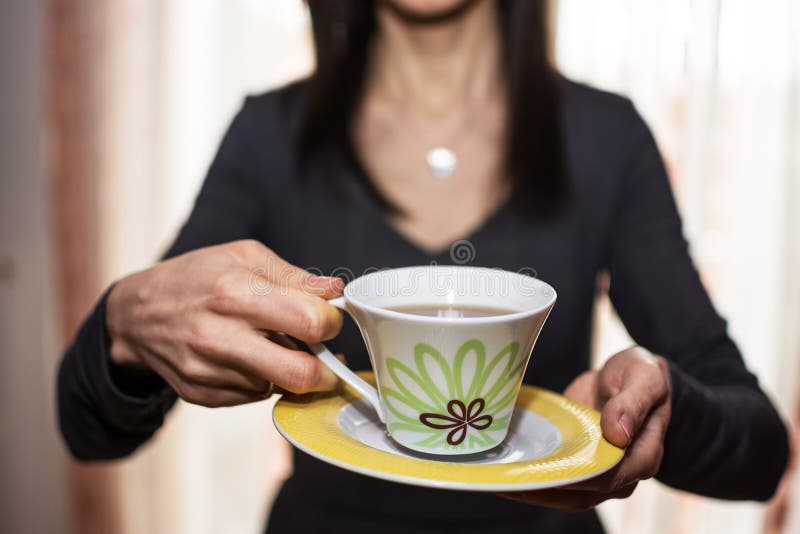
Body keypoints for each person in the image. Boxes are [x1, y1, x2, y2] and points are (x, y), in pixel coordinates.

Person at [57, 1, 790, 532]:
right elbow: (86, 428)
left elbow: (762, 450)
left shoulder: (608, 140)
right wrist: (125, 322)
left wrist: (662, 408)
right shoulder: (268, 137)